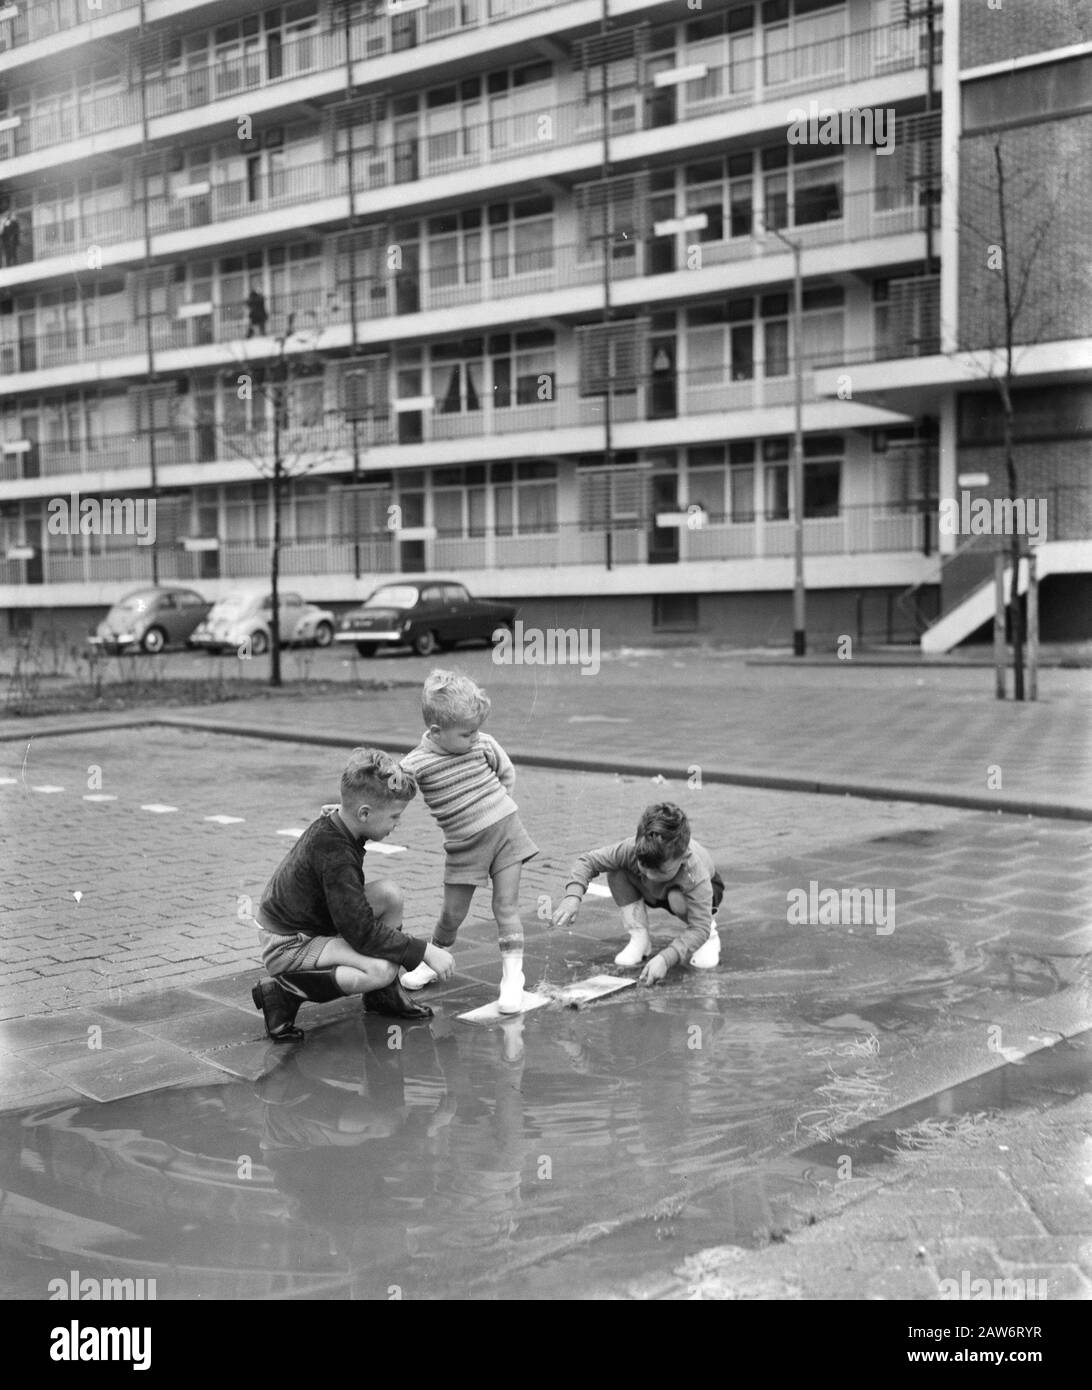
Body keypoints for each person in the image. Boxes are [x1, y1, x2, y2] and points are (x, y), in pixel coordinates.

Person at [250, 746, 453, 1042]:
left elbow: (355, 919)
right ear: (365, 813)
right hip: (289, 944)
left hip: (313, 923)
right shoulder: (336, 854)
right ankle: (282, 992)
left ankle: (382, 997)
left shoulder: (343, 823)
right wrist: (424, 951)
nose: (397, 825)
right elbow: (360, 932)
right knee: (381, 968)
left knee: (389, 894)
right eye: (395, 817)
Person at [399, 669, 538, 1014]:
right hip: (464, 847)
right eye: (467, 733)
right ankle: (434, 960)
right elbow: (390, 789)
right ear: (436, 732)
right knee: (451, 915)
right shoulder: (417, 763)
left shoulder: (483, 743)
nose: (476, 738)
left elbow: (506, 772)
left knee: (505, 907)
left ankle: (512, 979)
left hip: (506, 831)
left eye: (477, 729)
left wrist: (496, 807)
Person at [551, 802, 723, 983]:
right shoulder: (632, 848)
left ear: (681, 859)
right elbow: (587, 861)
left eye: (660, 871)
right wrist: (572, 896)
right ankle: (640, 938)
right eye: (644, 867)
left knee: (678, 901)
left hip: (696, 895)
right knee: (617, 870)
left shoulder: (694, 871)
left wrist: (666, 958)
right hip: (656, 892)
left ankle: (710, 938)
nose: (650, 875)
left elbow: (699, 927)